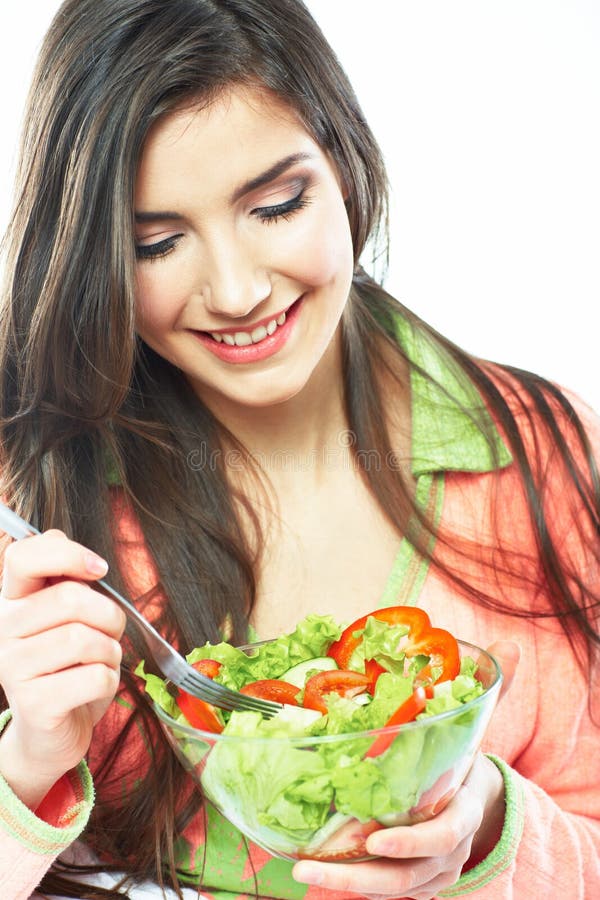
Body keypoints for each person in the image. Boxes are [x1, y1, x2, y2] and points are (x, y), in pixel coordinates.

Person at [0, 1, 598, 898]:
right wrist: (24, 770)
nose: (237, 291)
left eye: (277, 205)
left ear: (346, 168)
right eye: (156, 243)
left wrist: (483, 829)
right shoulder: (33, 502)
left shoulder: (540, 458)